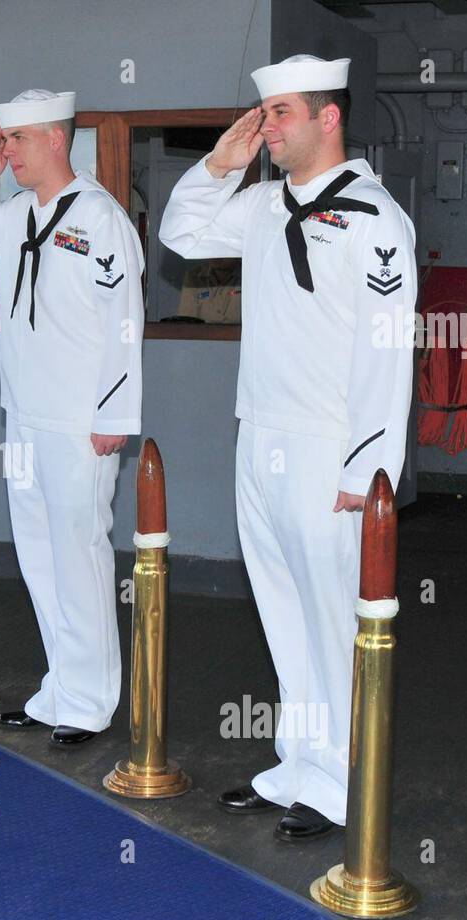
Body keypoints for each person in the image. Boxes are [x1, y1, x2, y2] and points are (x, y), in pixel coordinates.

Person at [159, 55, 417, 840]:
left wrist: (367, 471)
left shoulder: (377, 218)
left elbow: (387, 348)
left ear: (327, 117)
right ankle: (296, 767)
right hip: (261, 435)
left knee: (334, 621)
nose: (266, 129)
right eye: (263, 115)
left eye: (279, 116)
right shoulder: (265, 203)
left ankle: (342, 786)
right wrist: (217, 164)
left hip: (328, 447)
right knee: (282, 615)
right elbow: (182, 232)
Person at [0, 89, 145, 745]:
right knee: (39, 555)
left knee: (80, 557)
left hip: (80, 420)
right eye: (4, 141)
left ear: (56, 139)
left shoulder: (100, 217)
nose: (8, 152)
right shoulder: (16, 214)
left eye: (18, 140)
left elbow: (123, 323)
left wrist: (114, 411)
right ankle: (59, 689)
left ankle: (90, 701)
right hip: (26, 415)